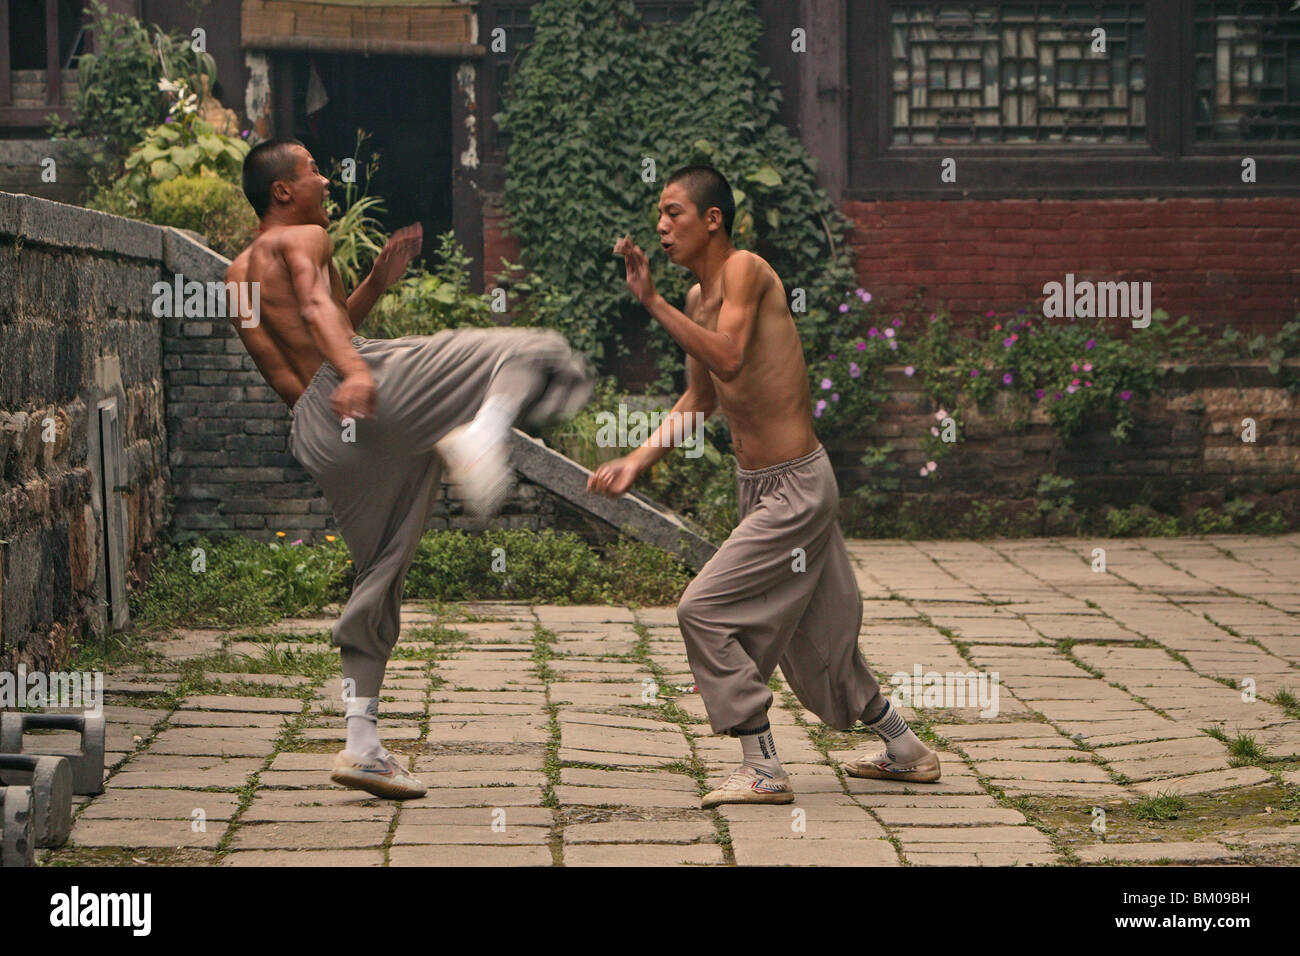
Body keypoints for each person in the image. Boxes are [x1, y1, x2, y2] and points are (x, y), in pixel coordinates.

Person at [225, 138, 593, 799]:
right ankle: (480, 432)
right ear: (283, 192)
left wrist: (373, 286)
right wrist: (361, 370)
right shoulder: (303, 238)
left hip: (320, 430)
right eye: (312, 171)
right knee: (541, 351)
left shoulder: (235, 278)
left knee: (379, 576)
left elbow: (299, 357)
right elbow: (316, 310)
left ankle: (361, 745)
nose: (325, 181)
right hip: (360, 386)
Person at [588, 165, 941, 807]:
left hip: (798, 486)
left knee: (703, 610)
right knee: (820, 640)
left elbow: (729, 355)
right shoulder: (697, 299)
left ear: (713, 218)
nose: (661, 227)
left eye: (673, 214)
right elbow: (701, 395)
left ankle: (762, 765)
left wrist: (651, 302)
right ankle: (906, 749)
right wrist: (638, 460)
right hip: (763, 486)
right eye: (659, 217)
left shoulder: (745, 269)